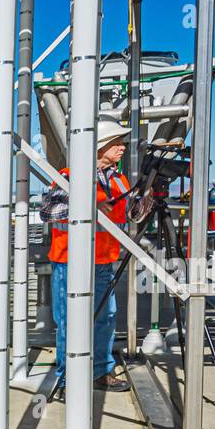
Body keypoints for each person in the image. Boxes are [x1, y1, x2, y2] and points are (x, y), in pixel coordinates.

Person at [38, 119, 132, 393]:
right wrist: (89, 207)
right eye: (117, 143)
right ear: (100, 146)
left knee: (106, 317)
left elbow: (127, 215)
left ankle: (100, 372)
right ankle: (68, 379)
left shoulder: (119, 180)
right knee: (70, 321)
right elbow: (47, 211)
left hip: (103, 261)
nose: (123, 148)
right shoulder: (69, 176)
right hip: (70, 262)